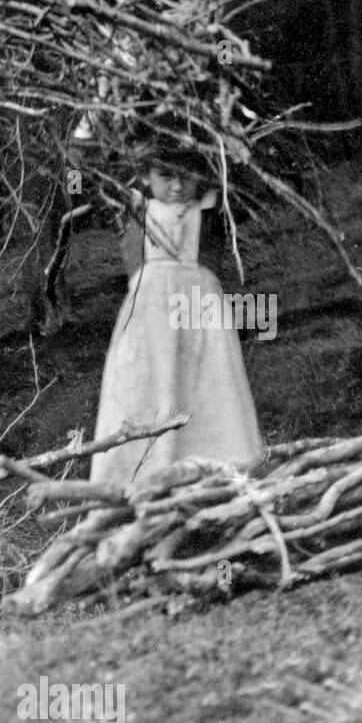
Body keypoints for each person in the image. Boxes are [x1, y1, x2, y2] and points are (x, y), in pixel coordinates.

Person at [90, 147, 263, 484]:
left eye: (186, 176)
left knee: (209, 387)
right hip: (148, 318)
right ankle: (137, 477)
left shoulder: (212, 208)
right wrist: (88, 126)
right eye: (165, 176)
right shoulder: (131, 210)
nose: (177, 187)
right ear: (144, 176)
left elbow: (255, 184)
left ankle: (217, 475)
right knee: (144, 387)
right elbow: (77, 180)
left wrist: (222, 141)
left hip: (202, 316)